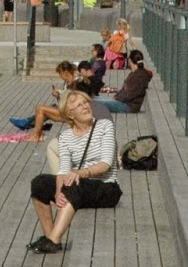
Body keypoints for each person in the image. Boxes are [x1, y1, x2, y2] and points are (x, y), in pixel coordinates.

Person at [27, 91, 122, 253]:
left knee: (73, 183)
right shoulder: (65, 137)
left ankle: (53, 240)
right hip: (81, 186)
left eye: (86, 103)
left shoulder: (104, 126)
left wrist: (80, 173)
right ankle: (50, 236)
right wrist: (58, 192)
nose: (85, 107)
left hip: (106, 187)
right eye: (79, 105)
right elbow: (63, 170)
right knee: (39, 183)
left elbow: (105, 164)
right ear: (70, 114)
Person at [12, 62, 87, 136]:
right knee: (48, 108)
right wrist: (58, 95)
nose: (60, 76)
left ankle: (35, 134)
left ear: (65, 72)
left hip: (71, 113)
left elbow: (73, 100)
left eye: (60, 73)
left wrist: (61, 94)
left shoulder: (76, 83)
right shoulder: (67, 82)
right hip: (66, 109)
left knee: (41, 109)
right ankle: (27, 122)